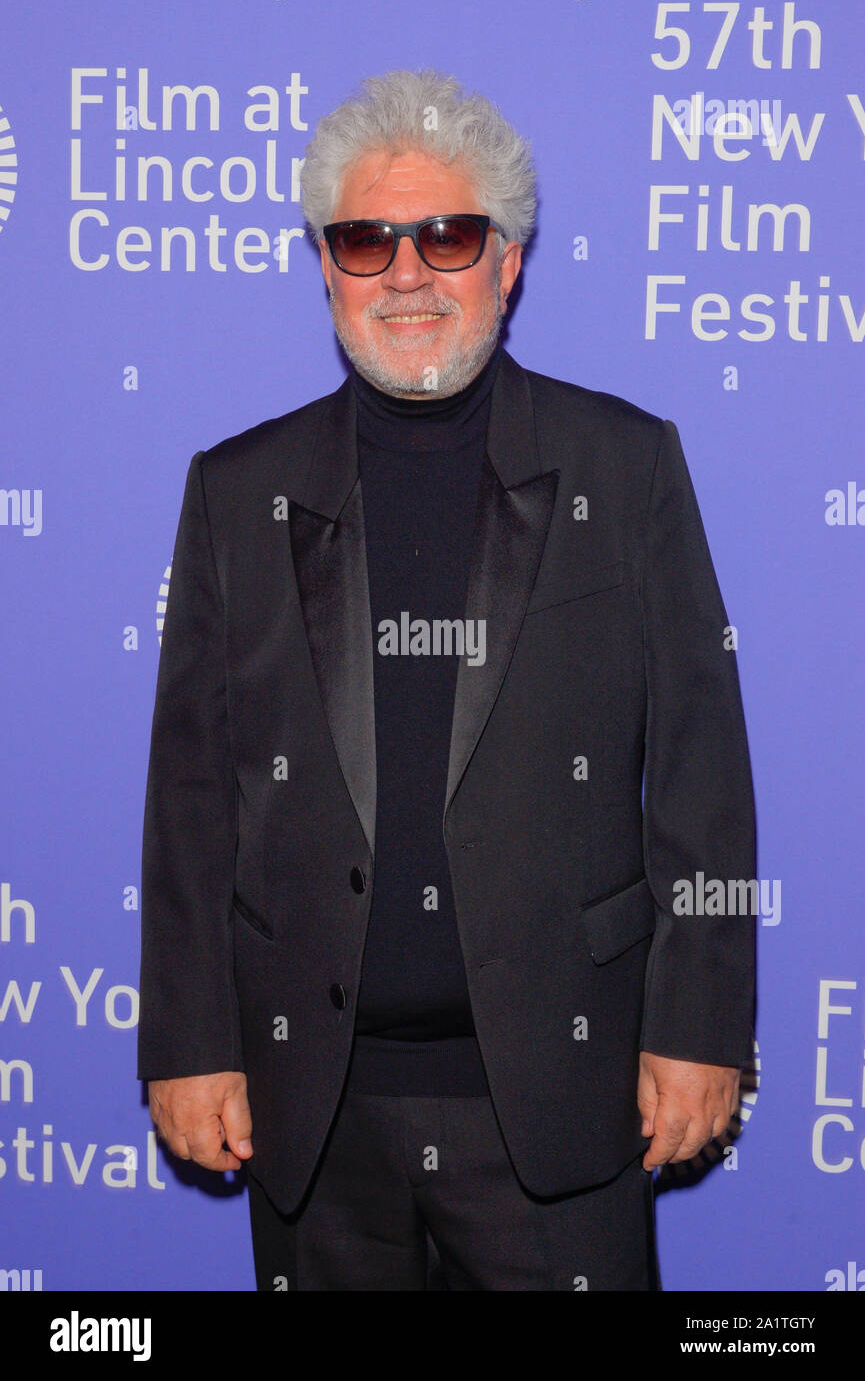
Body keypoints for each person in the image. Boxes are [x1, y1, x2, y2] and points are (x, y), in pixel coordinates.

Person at [138, 68, 756, 1291]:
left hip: (559, 1104)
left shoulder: (622, 465)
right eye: (367, 240)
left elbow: (700, 766)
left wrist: (697, 1023)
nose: (408, 272)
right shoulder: (235, 490)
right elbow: (192, 799)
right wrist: (190, 1039)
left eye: (448, 235)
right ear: (326, 265)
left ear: (507, 260)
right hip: (311, 1109)